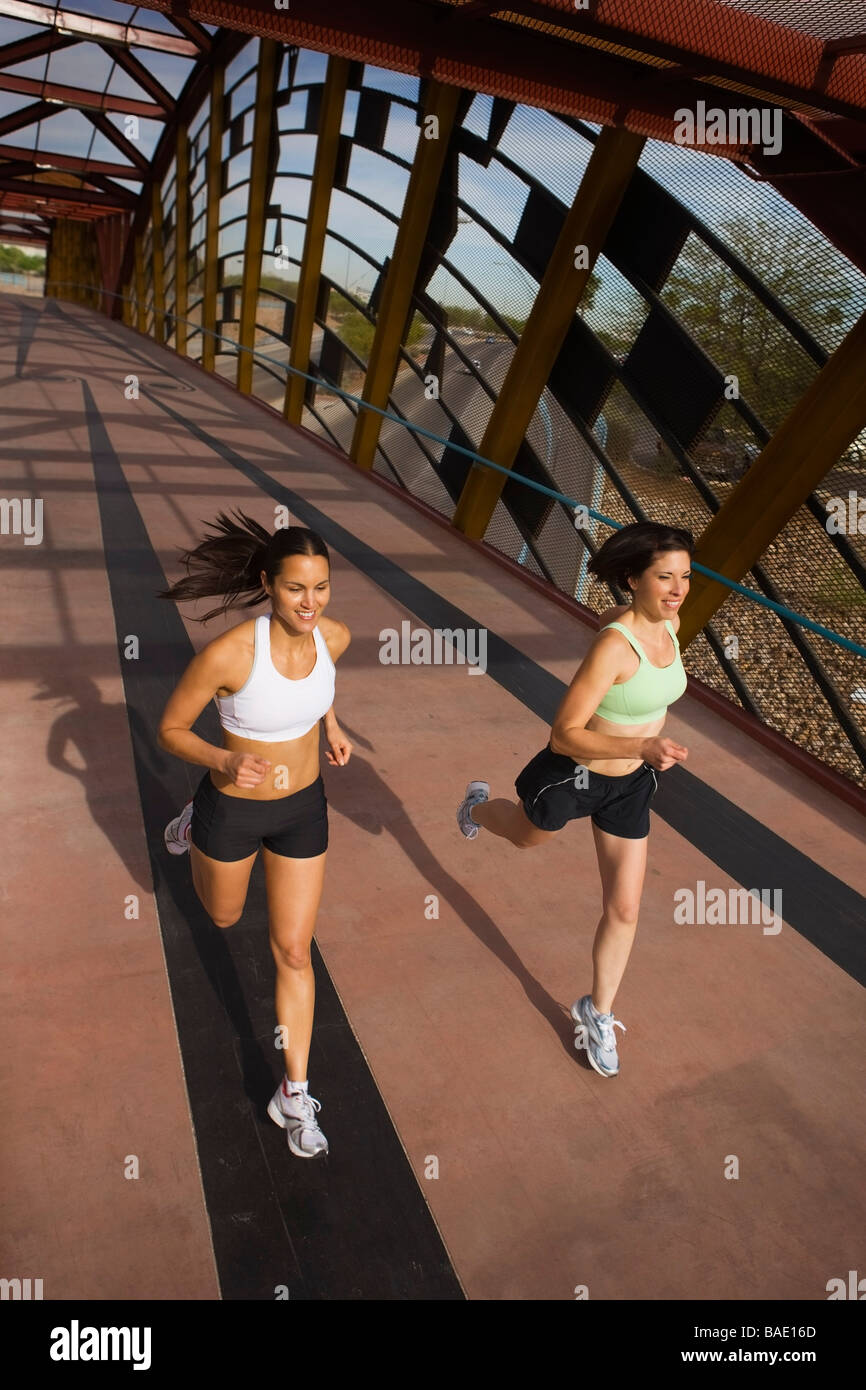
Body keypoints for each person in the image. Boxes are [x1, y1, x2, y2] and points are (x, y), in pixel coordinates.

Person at [456, 521, 692, 1078]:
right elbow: (564, 734)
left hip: (630, 784)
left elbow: (637, 656)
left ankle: (598, 1011)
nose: (678, 588)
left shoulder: (672, 624)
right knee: (522, 837)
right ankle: (475, 806)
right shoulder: (614, 648)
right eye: (665, 577)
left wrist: (642, 754)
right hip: (575, 775)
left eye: (685, 576)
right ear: (634, 578)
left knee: (625, 907)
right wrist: (643, 742)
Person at [156, 510, 351, 1157]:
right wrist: (222, 761)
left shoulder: (334, 637)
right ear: (269, 584)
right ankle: (192, 821)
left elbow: (321, 684)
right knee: (221, 915)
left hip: (303, 810)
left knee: (295, 951)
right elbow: (171, 731)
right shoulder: (231, 654)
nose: (310, 602)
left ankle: (292, 1093)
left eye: (320, 587)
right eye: (297, 588)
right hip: (233, 808)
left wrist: (332, 725)